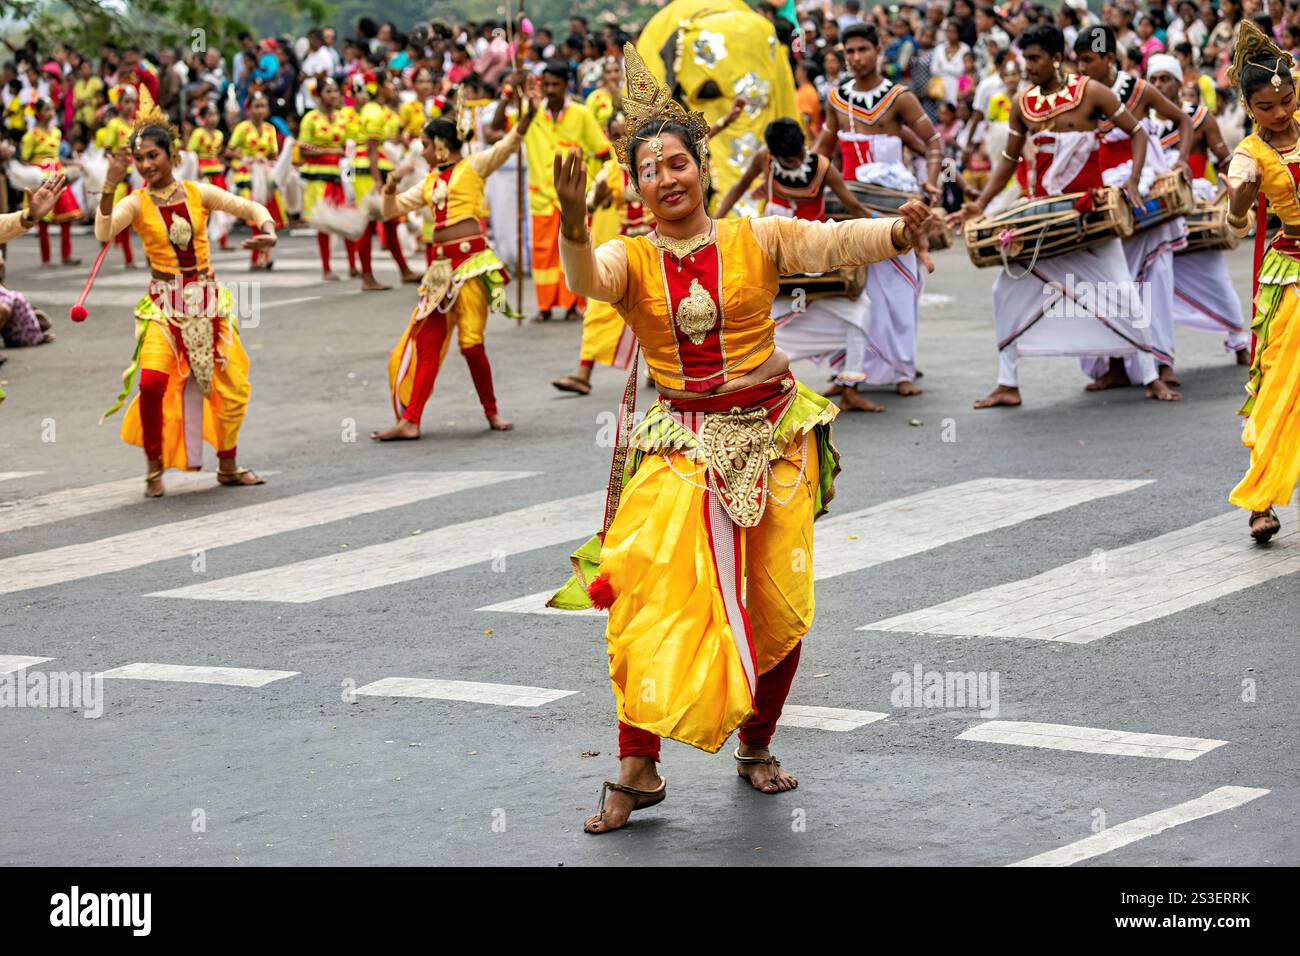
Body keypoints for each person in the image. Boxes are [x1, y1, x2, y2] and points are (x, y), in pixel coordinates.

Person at [547, 46, 940, 834]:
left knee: (774, 605)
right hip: (680, 445)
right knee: (649, 600)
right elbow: (586, 280)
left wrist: (900, 231)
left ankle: (756, 744)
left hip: (772, 437)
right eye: (650, 170)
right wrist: (571, 226)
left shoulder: (754, 239)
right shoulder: (630, 258)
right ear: (636, 184)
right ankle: (637, 762)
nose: (666, 179)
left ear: (701, 165)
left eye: (677, 164)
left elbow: (831, 245)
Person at [949, 24, 1181, 407]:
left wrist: (1135, 181)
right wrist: (981, 203)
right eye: (1026, 59)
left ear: (1057, 58)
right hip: (1043, 219)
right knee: (1004, 292)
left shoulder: (1092, 92)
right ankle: (1008, 383)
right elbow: (1008, 160)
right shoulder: (1023, 103)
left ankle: (1152, 376)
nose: (1028, 66)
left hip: (1087, 215)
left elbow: (1138, 133)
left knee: (1122, 292)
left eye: (1036, 58)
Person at [88, 88, 276, 497]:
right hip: (163, 306)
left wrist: (267, 229)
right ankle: (154, 467)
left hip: (207, 303)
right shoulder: (135, 203)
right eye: (139, 159)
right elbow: (104, 232)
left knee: (229, 386)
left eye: (152, 156)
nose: (145, 165)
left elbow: (249, 208)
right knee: (152, 383)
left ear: (171, 155)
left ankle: (228, 465)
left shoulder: (198, 193)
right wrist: (109, 186)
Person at [370, 89, 535, 441]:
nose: (424, 151)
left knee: (471, 343)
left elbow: (506, 145)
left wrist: (527, 116)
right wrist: (389, 186)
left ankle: (492, 412)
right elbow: (391, 211)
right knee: (426, 340)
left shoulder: (473, 166)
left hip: (472, 262)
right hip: (439, 270)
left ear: (442, 145)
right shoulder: (429, 182)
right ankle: (411, 420)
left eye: (426, 145)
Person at [717, 117, 891, 410]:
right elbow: (738, 187)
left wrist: (886, 223)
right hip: (771, 258)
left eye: (796, 155)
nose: (792, 161)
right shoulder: (765, 159)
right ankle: (748, 386)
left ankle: (849, 385)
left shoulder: (823, 168)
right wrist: (716, 224)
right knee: (754, 319)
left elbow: (855, 207)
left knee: (860, 310)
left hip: (813, 258)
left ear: (804, 146)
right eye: (786, 158)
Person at [816, 23, 939, 399]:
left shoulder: (900, 97)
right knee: (850, 288)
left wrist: (931, 183)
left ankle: (902, 368)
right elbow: (823, 152)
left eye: (862, 50)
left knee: (899, 286)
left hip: (893, 205)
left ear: (878, 49)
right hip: (850, 207)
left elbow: (933, 143)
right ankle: (849, 369)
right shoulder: (836, 98)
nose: (855, 58)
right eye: (849, 52)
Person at [1076, 24, 1194, 388]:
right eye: (1077, 61)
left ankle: (1162, 362)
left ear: (1109, 59)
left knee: (1156, 279)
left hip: (1144, 188)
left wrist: (1180, 162)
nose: (1081, 69)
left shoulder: (1139, 90)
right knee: (1109, 281)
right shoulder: (1080, 95)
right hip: (1105, 189)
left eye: (1088, 61)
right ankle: (1114, 363)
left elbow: (1183, 120)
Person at [1222, 22, 1300, 542]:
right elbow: (1237, 218)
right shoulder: (1250, 153)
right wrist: (1240, 195)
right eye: (1267, 106)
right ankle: (1262, 499)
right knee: (1280, 385)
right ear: (1251, 107)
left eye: (1287, 100)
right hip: (1291, 268)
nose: (1280, 113)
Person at [1145, 54, 1250, 364]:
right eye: (1154, 80)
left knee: (1214, 276)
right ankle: (1152, 356)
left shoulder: (1200, 116)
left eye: (1165, 79)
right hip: (1155, 213)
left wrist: (1244, 179)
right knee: (1151, 280)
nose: (1159, 85)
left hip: (1194, 207)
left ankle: (1238, 342)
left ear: (1181, 83)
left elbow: (1224, 159)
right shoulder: (1141, 122)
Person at [502, 59, 612, 322]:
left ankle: (574, 304)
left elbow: (602, 150)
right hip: (541, 194)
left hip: (573, 196)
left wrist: (601, 181)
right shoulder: (530, 113)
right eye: (546, 84)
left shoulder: (581, 114)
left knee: (575, 247)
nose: (550, 89)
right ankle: (544, 306)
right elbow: (496, 127)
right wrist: (509, 90)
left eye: (555, 84)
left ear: (565, 85)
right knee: (542, 253)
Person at [551, 111, 649, 396]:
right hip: (622, 250)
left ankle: (659, 369)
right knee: (598, 307)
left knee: (661, 309)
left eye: (626, 133)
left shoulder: (650, 165)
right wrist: (596, 200)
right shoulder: (606, 172)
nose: (621, 140)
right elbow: (587, 207)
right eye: (615, 135)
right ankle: (583, 373)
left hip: (656, 248)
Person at [351, 71, 420, 290]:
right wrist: (377, 181)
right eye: (388, 82)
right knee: (367, 222)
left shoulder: (383, 111)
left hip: (381, 168)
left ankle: (404, 270)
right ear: (380, 87)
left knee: (390, 220)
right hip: (370, 173)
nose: (392, 86)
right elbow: (371, 149)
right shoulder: (374, 112)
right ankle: (367, 277)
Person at [297, 77, 357, 281]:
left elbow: (350, 145)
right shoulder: (310, 118)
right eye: (329, 91)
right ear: (318, 95)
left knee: (347, 218)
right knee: (324, 224)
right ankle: (326, 268)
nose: (334, 95)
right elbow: (303, 147)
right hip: (319, 176)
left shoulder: (343, 117)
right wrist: (328, 150)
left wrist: (351, 178)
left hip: (342, 172)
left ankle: (353, 265)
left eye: (336, 91)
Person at [227, 91, 286, 270]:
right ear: (249, 108)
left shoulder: (270, 129)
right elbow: (229, 151)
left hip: (265, 177)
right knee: (255, 219)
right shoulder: (242, 128)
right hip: (248, 177)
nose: (261, 110)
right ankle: (258, 258)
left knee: (267, 219)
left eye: (264, 106)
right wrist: (247, 158)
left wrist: (269, 161)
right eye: (257, 106)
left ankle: (262, 256)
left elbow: (273, 154)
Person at [20, 98, 81, 266]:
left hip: (58, 174)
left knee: (66, 217)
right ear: (39, 113)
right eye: (47, 109)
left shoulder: (57, 132)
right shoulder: (31, 135)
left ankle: (66, 255)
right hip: (42, 177)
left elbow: (56, 157)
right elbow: (25, 160)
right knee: (43, 220)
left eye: (53, 109)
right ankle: (46, 259)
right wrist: (37, 174)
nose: (51, 113)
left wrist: (71, 163)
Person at [95, 89, 138, 268]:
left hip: (135, 173)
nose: (130, 106)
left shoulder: (137, 124)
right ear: (120, 103)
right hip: (120, 176)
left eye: (133, 102)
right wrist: (118, 154)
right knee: (122, 217)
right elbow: (106, 151)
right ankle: (128, 258)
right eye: (126, 101)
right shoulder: (113, 125)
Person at [186, 103, 230, 250]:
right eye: (209, 115)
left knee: (221, 206)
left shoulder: (219, 134)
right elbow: (191, 153)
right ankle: (199, 240)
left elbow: (218, 154)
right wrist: (197, 168)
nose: (213, 118)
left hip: (217, 172)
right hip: (203, 174)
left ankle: (223, 242)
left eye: (215, 114)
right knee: (202, 208)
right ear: (203, 118)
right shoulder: (198, 133)